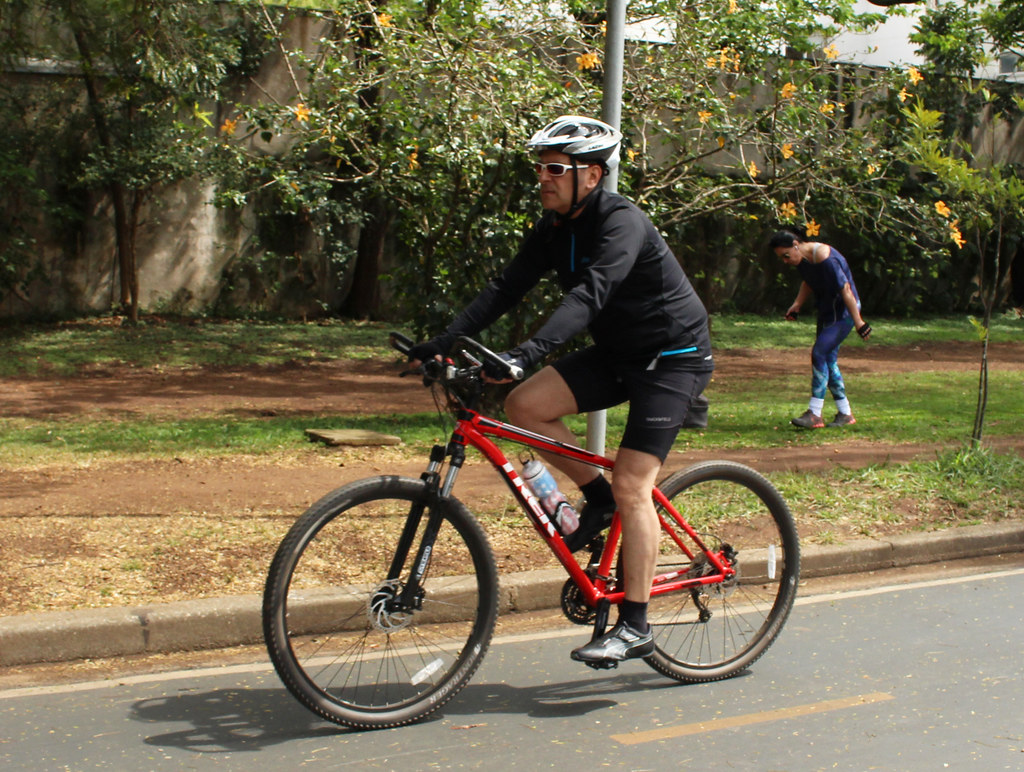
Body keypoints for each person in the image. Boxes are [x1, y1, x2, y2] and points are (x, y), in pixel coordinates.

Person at [407, 115, 713, 665]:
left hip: (672, 358)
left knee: (633, 483)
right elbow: (506, 286)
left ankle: (637, 623)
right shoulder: (555, 229)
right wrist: (443, 342)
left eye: (555, 168)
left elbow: (590, 297)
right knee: (525, 405)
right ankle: (595, 500)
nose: (543, 178)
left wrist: (528, 353)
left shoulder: (623, 223)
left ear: (592, 176)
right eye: (540, 167)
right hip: (620, 353)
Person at [769, 229, 871, 429]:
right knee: (827, 359)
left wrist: (858, 321)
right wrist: (797, 304)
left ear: (796, 244)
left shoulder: (826, 259)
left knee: (819, 353)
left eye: (786, 256)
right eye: (782, 257)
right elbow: (809, 281)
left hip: (843, 315)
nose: (785, 261)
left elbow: (846, 290)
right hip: (827, 313)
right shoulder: (804, 260)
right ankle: (845, 413)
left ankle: (815, 413)